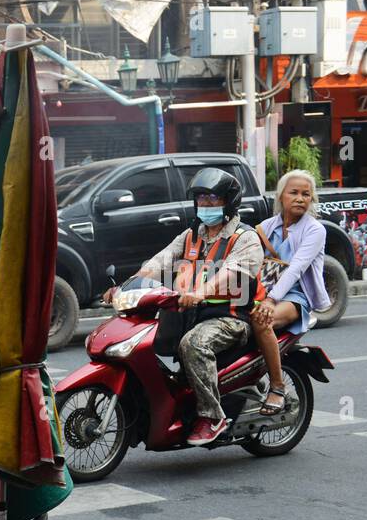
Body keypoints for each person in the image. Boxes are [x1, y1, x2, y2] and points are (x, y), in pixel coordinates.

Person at [109, 167, 265, 446]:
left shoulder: (245, 238)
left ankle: (212, 416)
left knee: (193, 345)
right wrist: (126, 286)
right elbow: (161, 261)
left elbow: (231, 272)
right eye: (201, 199)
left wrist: (201, 292)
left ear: (228, 202)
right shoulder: (192, 235)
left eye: (212, 199)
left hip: (230, 319)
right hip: (189, 315)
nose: (205, 205)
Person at [251, 170, 328, 415]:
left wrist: (271, 300)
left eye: (306, 194)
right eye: (293, 193)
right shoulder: (265, 227)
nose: (300, 198)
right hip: (263, 292)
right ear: (281, 196)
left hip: (295, 296)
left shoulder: (315, 230)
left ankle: (277, 387)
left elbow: (296, 269)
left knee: (261, 320)